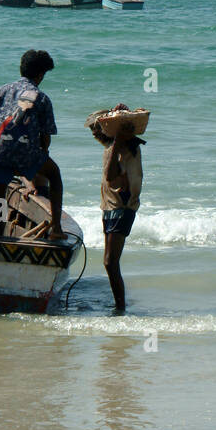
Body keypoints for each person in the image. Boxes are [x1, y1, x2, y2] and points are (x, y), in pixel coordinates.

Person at [0, 50, 64, 239]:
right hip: (26, 156)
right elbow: (46, 136)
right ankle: (57, 229)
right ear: (40, 74)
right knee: (54, 175)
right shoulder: (41, 98)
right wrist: (41, 154)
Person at [87, 105, 144, 314]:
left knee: (110, 262)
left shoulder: (125, 146)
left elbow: (111, 176)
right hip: (111, 208)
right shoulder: (113, 147)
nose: (94, 133)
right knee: (110, 263)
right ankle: (119, 305)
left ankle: (120, 308)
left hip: (122, 207)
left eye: (96, 128)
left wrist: (119, 139)